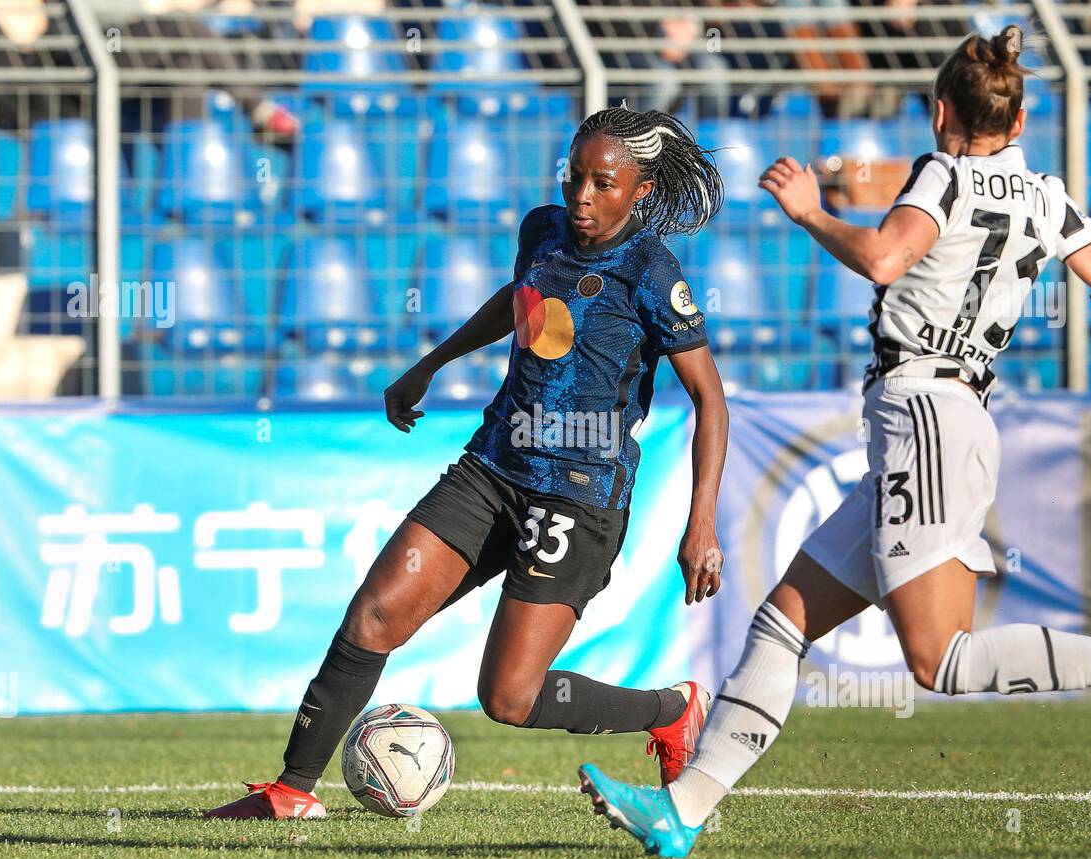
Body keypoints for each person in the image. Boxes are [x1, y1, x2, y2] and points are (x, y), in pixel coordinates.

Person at [576, 27, 1091, 859]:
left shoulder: (941, 173)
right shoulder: (1049, 197)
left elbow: (883, 260)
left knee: (939, 660)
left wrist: (809, 213)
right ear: (1017, 124)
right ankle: (684, 810)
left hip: (927, 417)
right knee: (782, 622)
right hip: (941, 417)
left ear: (940, 109)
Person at [205, 105, 731, 819]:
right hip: (491, 469)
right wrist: (432, 361)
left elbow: (711, 401)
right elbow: (521, 304)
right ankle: (291, 791)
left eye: (601, 184)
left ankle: (669, 710)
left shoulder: (650, 269)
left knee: (509, 698)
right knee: (373, 617)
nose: (581, 195)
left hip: (576, 498)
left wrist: (701, 525)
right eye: (574, 177)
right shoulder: (542, 231)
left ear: (639, 190)